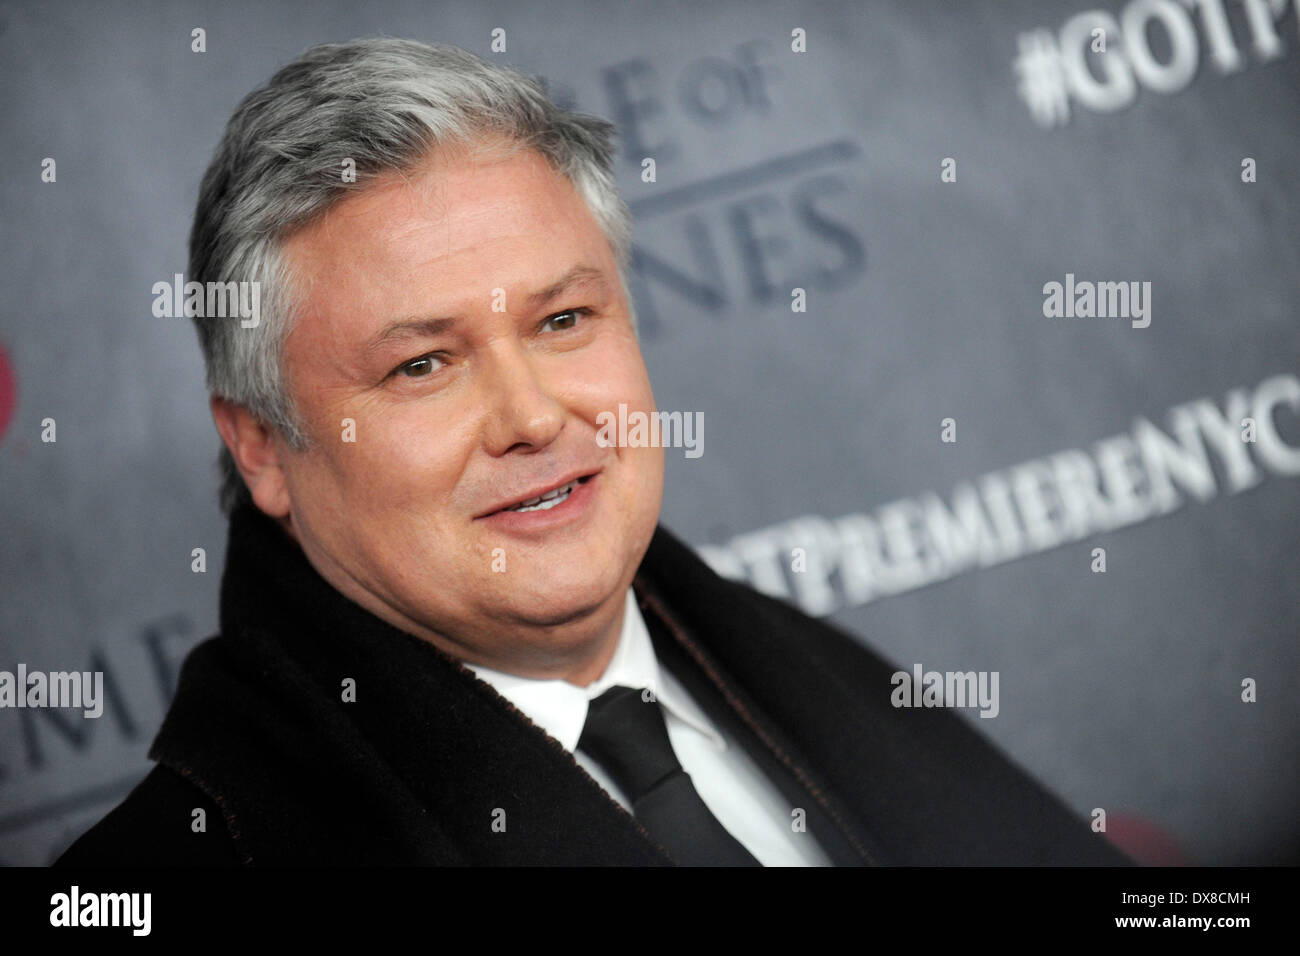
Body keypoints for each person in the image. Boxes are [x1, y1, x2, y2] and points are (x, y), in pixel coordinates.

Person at [56, 37, 1131, 867]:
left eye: (563, 320)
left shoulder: (811, 673)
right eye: (422, 365)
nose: (531, 415)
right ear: (263, 449)